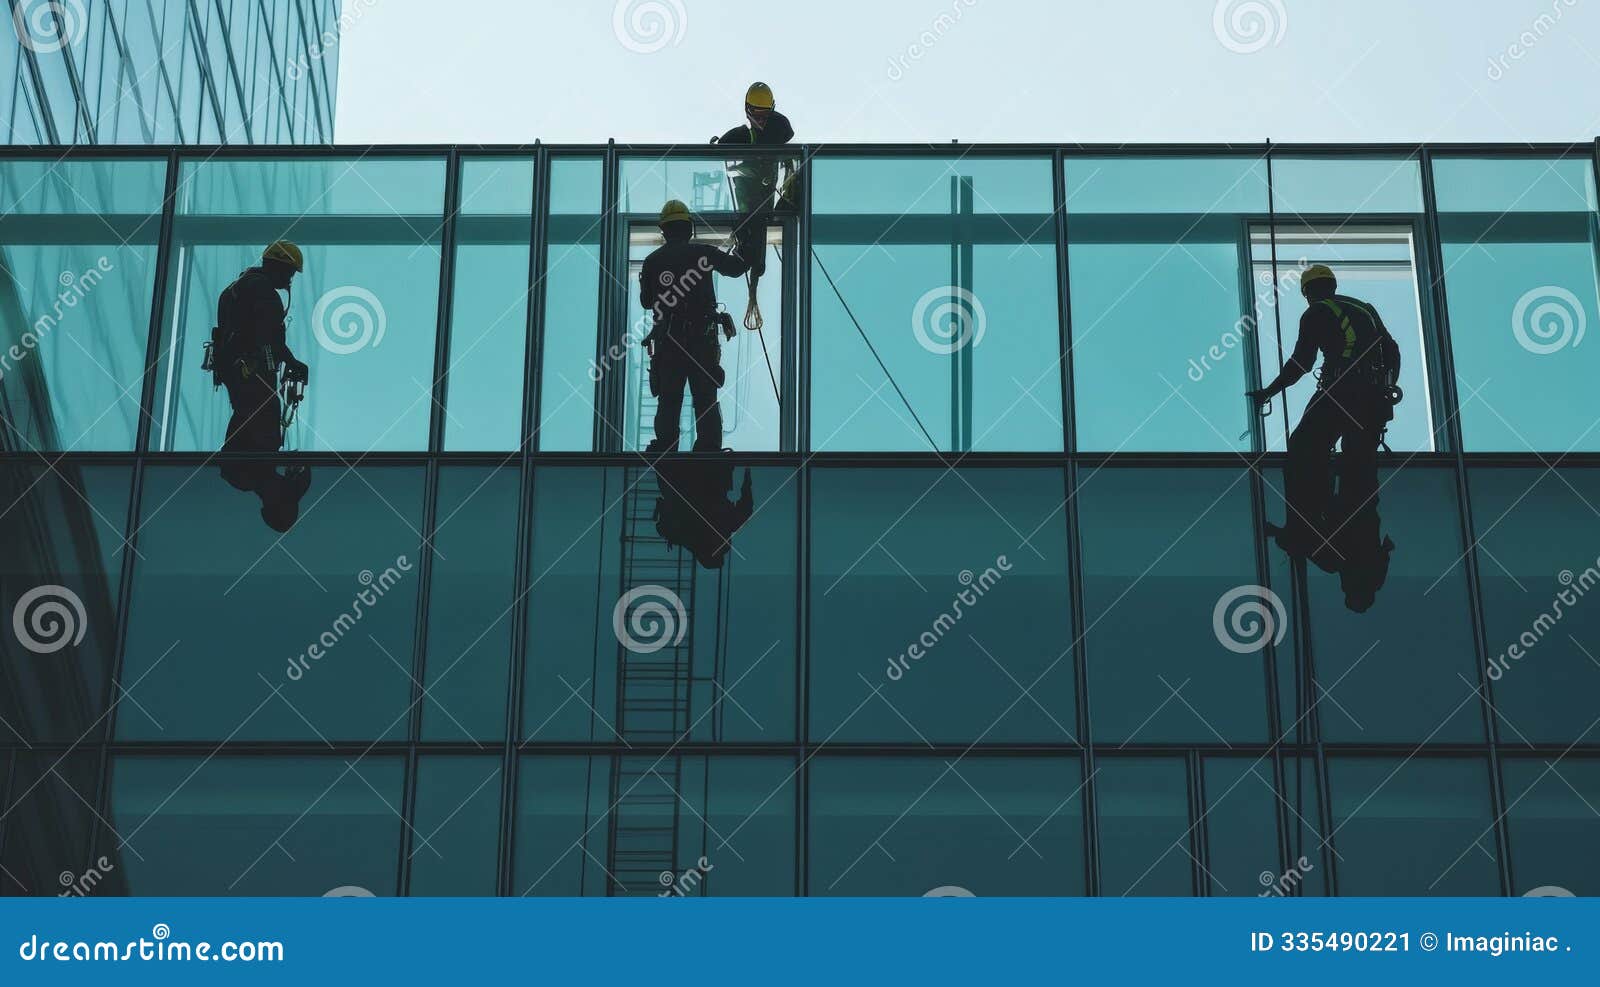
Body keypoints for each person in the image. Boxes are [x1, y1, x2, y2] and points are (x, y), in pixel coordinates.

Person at [1249, 264, 1402, 607]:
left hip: (1342, 390)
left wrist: (1269, 392)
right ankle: (1328, 501)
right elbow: (1392, 351)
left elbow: (1302, 363)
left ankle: (1309, 507)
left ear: (1308, 293)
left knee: (1304, 446)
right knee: (1358, 466)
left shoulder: (1318, 311)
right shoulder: (1365, 308)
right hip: (1373, 398)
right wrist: (1387, 386)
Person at [210, 240, 313, 532]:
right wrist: (292, 362)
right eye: (289, 272)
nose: (290, 279)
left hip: (237, 370)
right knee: (263, 410)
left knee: (256, 412)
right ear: (276, 266)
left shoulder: (236, 289)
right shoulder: (262, 292)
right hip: (249, 370)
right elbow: (269, 338)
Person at [639, 201, 751, 453]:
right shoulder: (703, 253)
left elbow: (646, 301)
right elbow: (737, 268)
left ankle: (666, 449)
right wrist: (748, 240)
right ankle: (708, 452)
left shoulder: (652, 261)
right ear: (689, 230)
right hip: (702, 339)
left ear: (664, 231)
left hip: (670, 341)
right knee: (705, 399)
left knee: (669, 400)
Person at [713, 82, 795, 290]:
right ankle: (749, 260)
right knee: (749, 255)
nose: (760, 120)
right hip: (748, 206)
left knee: (752, 253)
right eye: (755, 114)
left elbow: (784, 130)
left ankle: (750, 261)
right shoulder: (742, 136)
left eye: (764, 115)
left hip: (759, 206)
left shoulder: (773, 131)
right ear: (748, 111)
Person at [653, 456, 755, 570]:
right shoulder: (684, 537)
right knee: (667, 450)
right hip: (681, 477)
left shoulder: (727, 526)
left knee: (706, 444)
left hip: (709, 471)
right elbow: (662, 525)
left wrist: (747, 473)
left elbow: (746, 507)